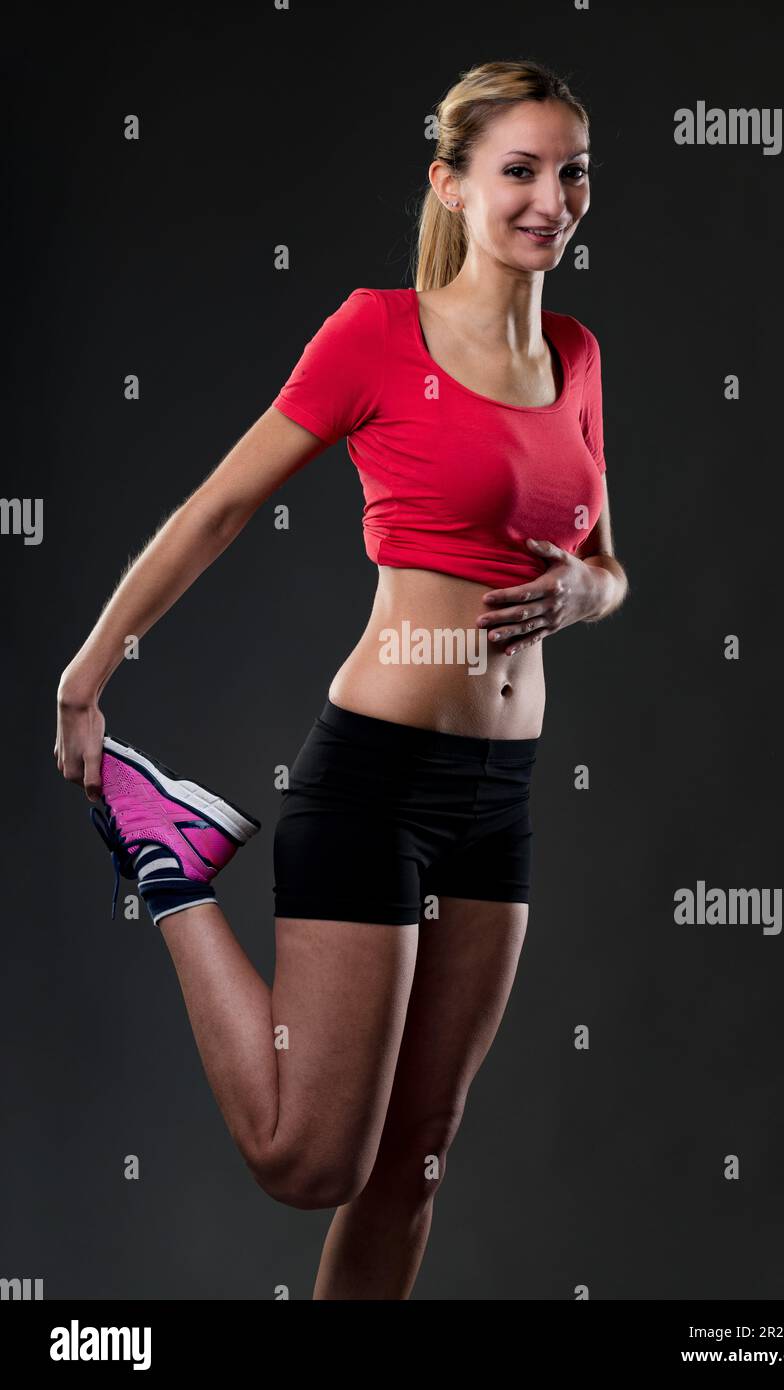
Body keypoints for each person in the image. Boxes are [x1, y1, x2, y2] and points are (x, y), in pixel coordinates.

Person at [54, 58, 629, 1299]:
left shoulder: (575, 355)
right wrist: (89, 671)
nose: (549, 198)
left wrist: (591, 591)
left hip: (501, 794)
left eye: (569, 170)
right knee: (308, 1160)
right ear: (452, 184)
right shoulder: (378, 331)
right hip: (376, 774)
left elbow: (602, 561)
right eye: (517, 170)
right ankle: (167, 864)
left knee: (415, 1160)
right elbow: (219, 507)